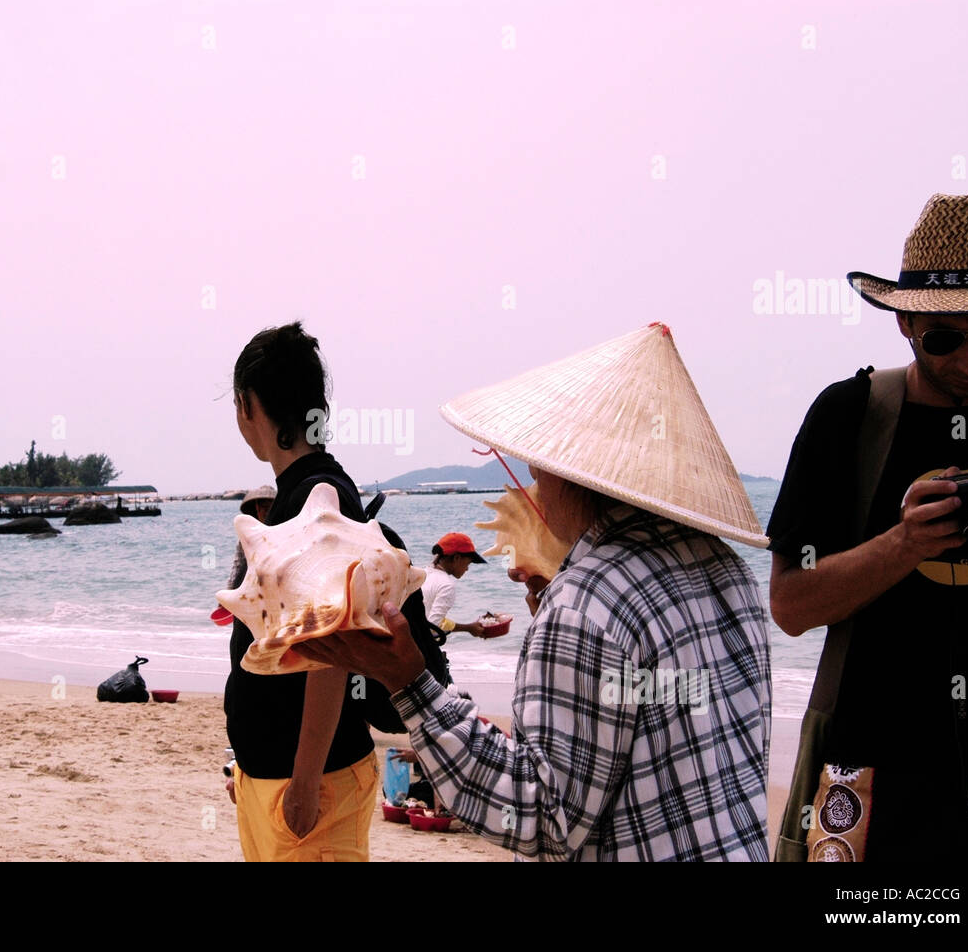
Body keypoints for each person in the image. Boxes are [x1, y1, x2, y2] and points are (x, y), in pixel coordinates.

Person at [297, 323, 772, 860]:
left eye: (542, 471)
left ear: (576, 475)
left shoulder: (585, 605)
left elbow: (541, 815)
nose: (537, 488)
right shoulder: (730, 572)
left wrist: (410, 684)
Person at [768, 192, 968, 862]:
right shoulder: (850, 417)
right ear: (904, 321)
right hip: (870, 773)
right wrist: (905, 544)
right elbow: (791, 606)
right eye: (944, 339)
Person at [223, 322, 379, 862]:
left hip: (312, 784)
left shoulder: (320, 495)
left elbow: (331, 650)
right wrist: (248, 763)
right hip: (275, 774)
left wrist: (305, 782)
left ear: (249, 405)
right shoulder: (303, 492)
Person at [421, 533, 487, 638]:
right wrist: (468, 628)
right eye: (468, 563)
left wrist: (468, 628)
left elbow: (427, 619)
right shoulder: (446, 585)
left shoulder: (422, 573)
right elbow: (433, 628)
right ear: (457, 558)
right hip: (420, 643)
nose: (467, 569)